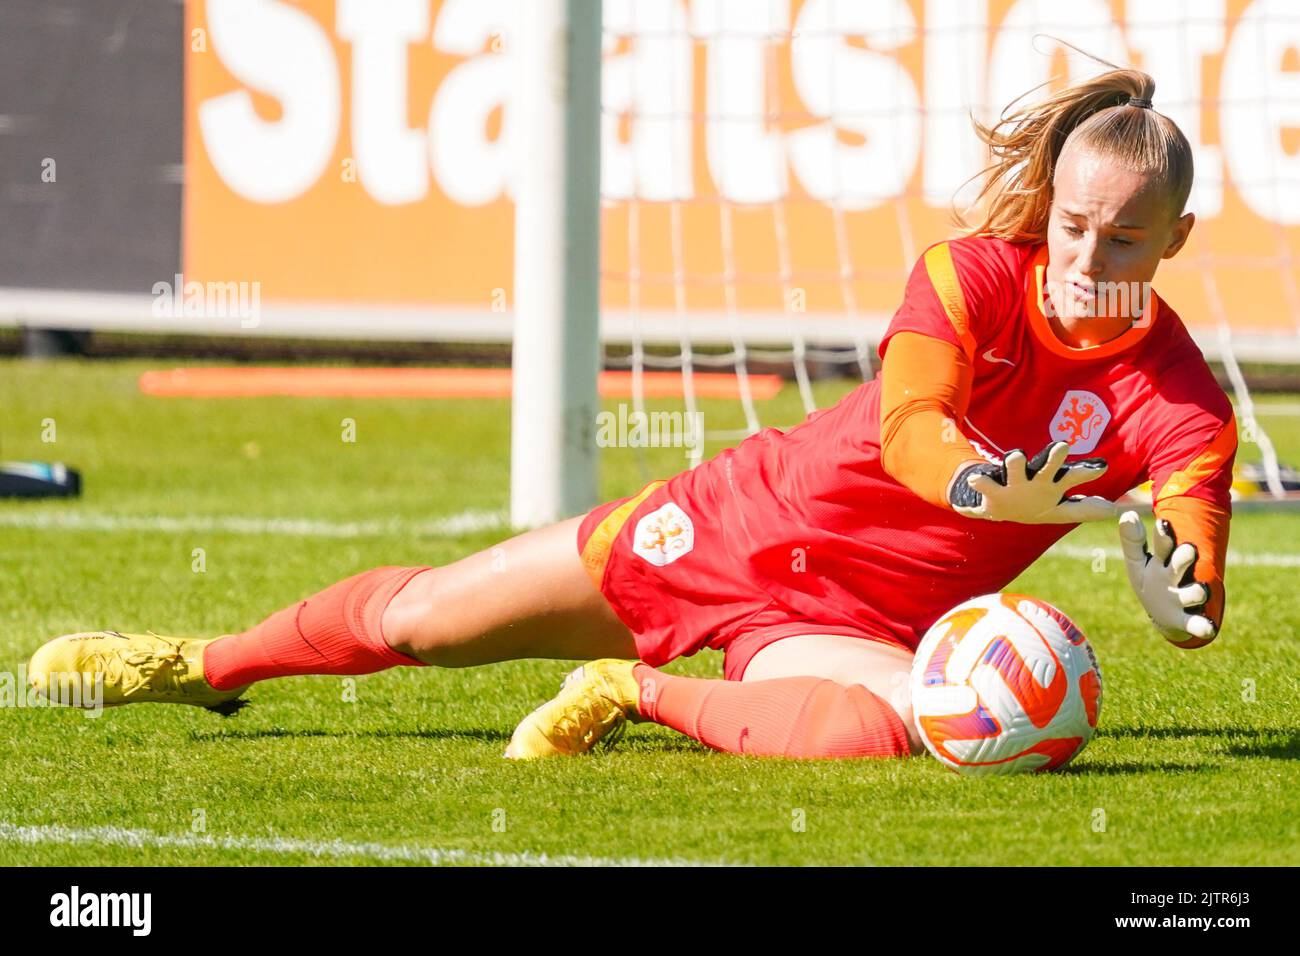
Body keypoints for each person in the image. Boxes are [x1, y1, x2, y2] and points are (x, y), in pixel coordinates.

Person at [27, 62, 1236, 763]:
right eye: (1070, 223)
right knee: (428, 620)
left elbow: (1195, 575)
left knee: (904, 728)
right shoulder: (965, 273)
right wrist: (977, 484)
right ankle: (202, 664)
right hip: (737, 521)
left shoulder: (1180, 400)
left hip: (870, 620)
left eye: (1121, 235)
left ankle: (632, 690)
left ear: (1175, 236)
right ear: (1050, 203)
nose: (1083, 255)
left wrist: (1176, 590)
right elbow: (915, 419)